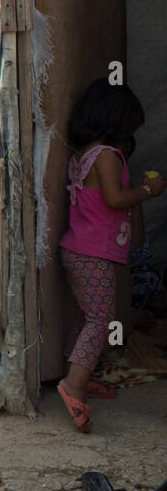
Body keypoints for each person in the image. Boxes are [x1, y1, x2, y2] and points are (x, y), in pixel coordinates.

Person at [56, 78, 164, 432]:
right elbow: (116, 200)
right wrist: (148, 189)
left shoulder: (84, 155)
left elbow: (122, 217)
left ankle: (79, 376)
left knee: (87, 318)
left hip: (79, 251)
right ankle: (73, 385)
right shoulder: (106, 157)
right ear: (117, 123)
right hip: (93, 255)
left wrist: (138, 196)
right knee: (100, 322)